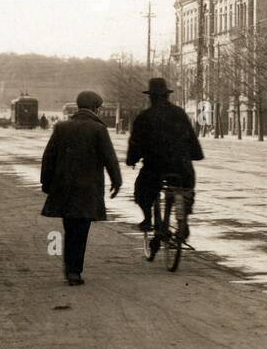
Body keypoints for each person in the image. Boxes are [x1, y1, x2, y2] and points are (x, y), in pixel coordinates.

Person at [40, 90, 122, 285]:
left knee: (70, 227)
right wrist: (116, 181)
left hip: (65, 187)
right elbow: (109, 159)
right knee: (81, 229)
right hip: (88, 188)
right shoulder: (98, 129)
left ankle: (70, 269)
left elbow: (48, 157)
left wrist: (46, 182)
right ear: (95, 108)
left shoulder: (62, 127)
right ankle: (75, 271)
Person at [127, 78, 203, 232]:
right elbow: (191, 137)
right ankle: (183, 221)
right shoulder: (179, 113)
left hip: (155, 166)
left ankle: (148, 219)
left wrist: (132, 159)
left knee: (142, 190)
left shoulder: (144, 117)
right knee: (185, 189)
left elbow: (136, 143)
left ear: (151, 97)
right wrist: (195, 154)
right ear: (167, 96)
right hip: (181, 165)